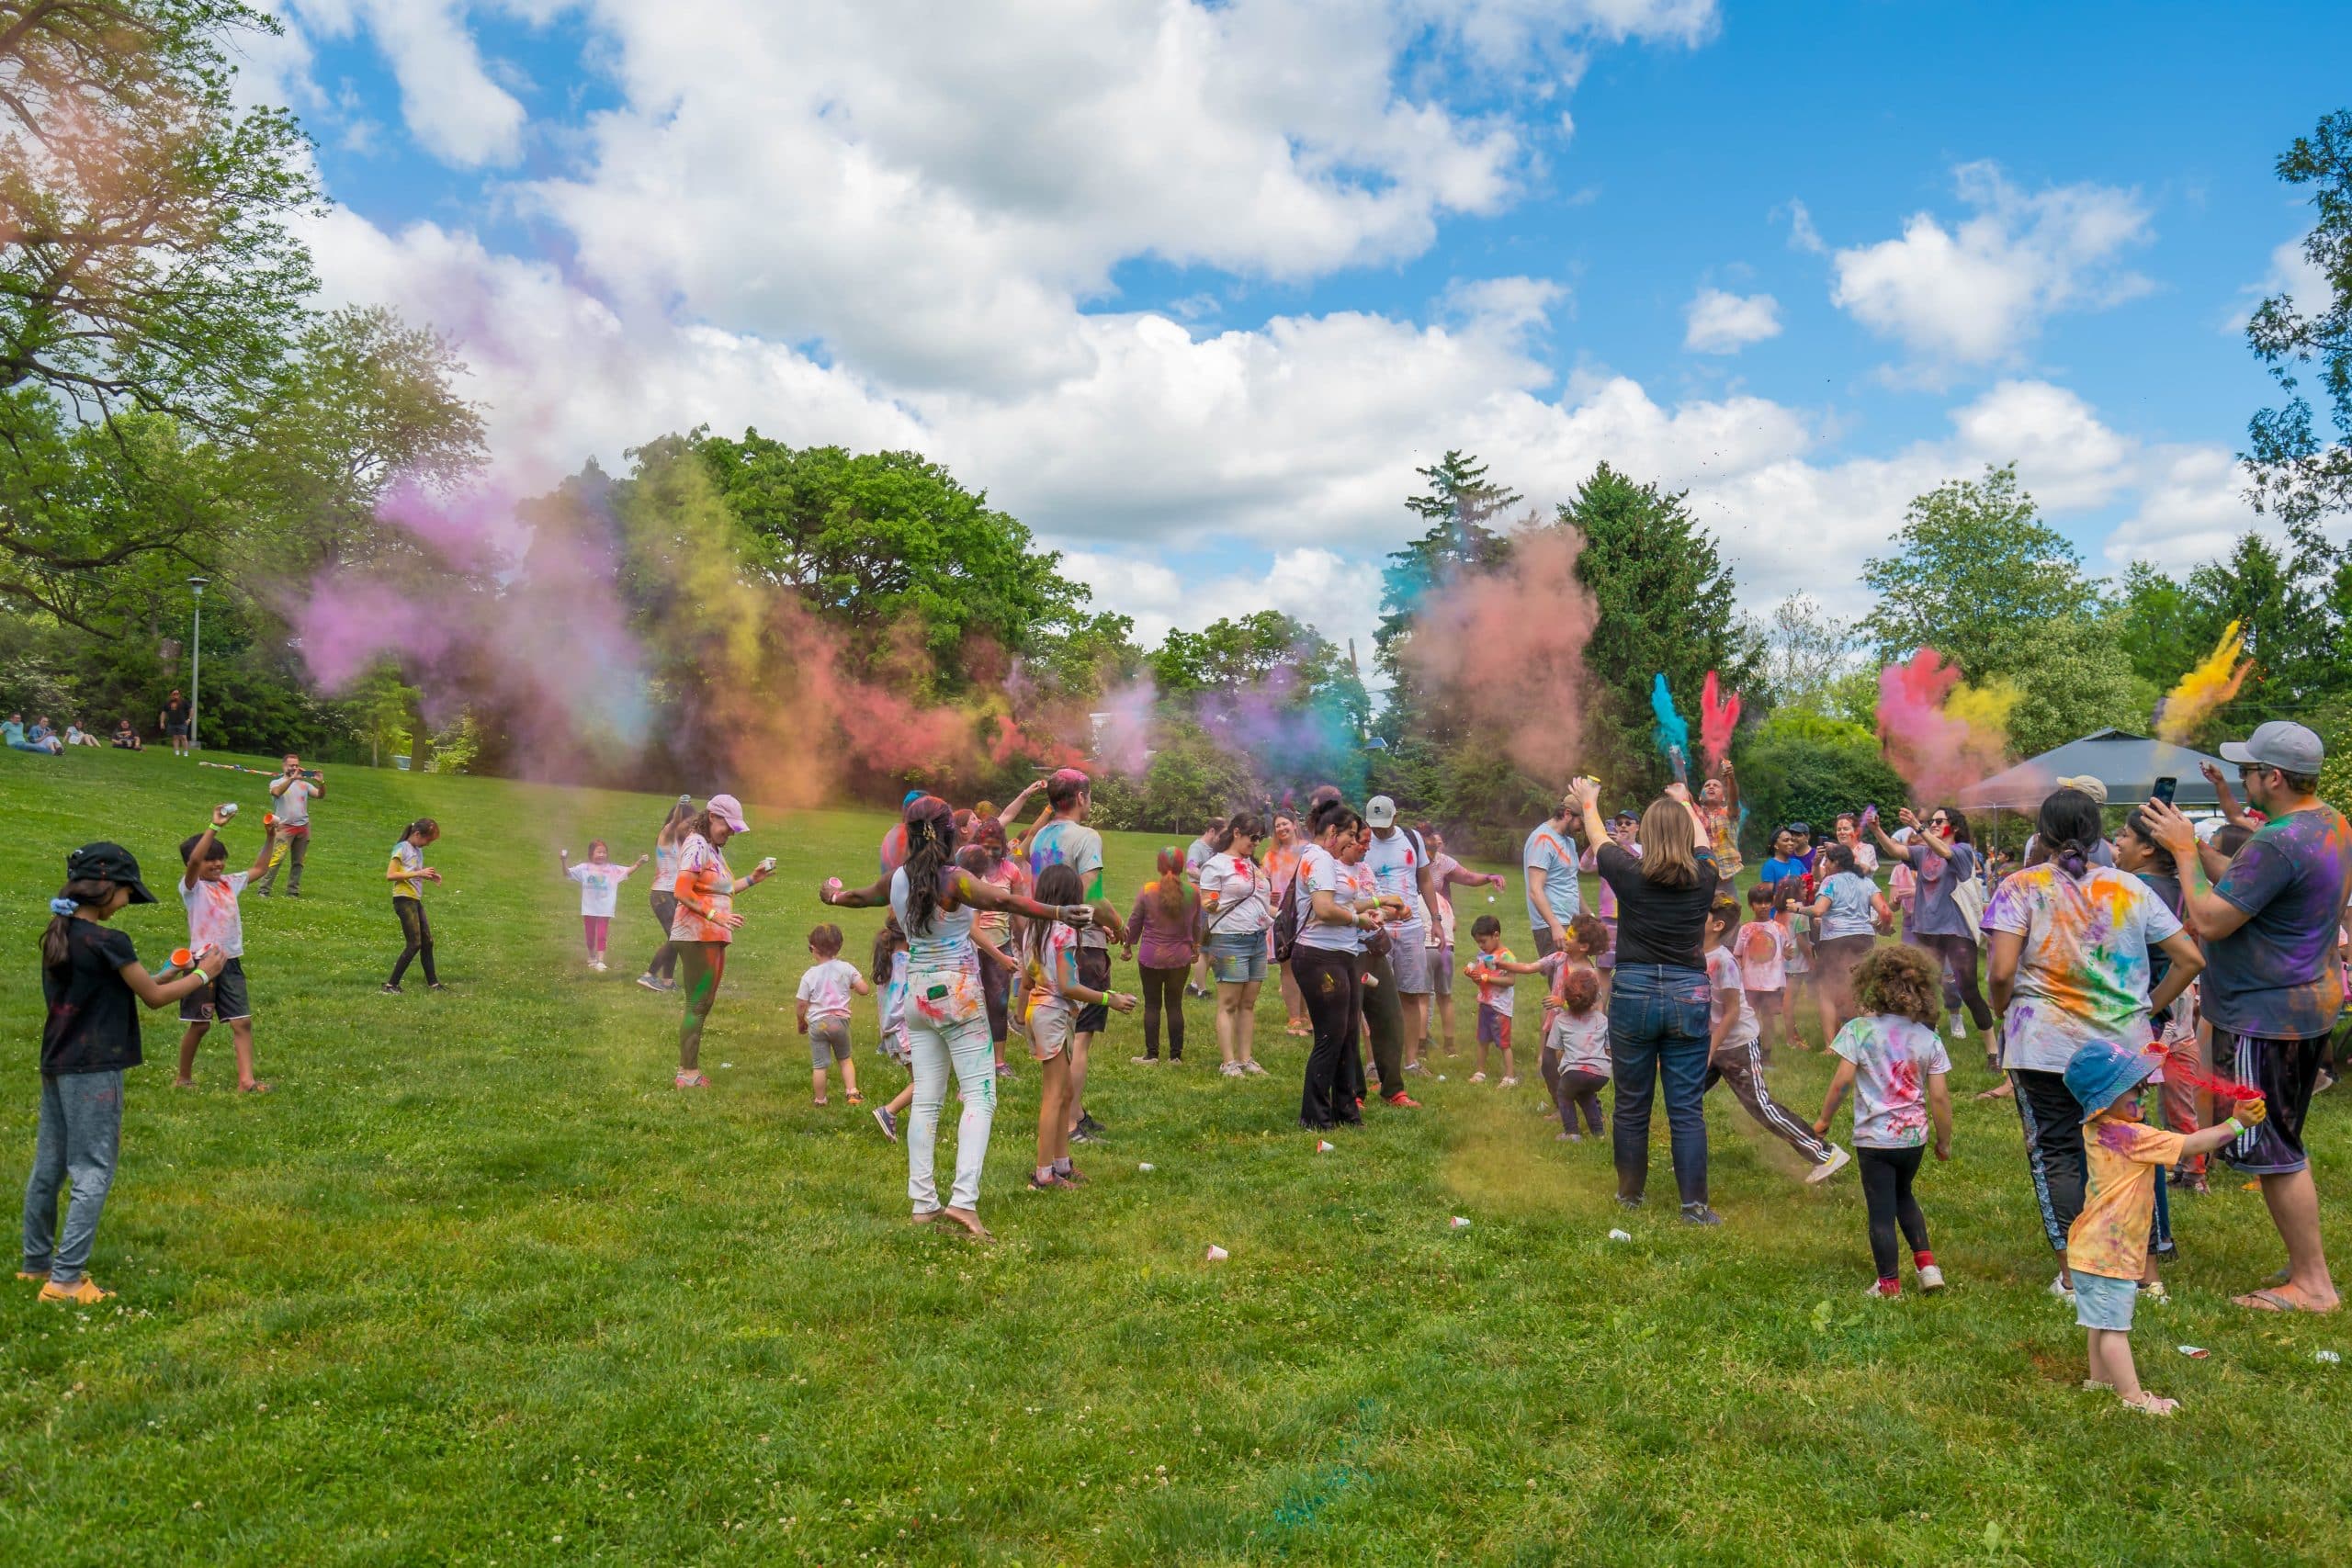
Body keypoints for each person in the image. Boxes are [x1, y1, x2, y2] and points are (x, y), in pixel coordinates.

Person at [2143, 720, 2350, 1314]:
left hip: (2267, 1012)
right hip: (2308, 1001)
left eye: (2249, 770)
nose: (2242, 778)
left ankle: (2312, 1285)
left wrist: (2185, 852)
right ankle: (2305, 1264)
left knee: (2274, 1149)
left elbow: (2210, 920)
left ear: (2274, 777)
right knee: (2283, 1137)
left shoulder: (2277, 842)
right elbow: (2250, 881)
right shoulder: (2329, 824)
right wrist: (2196, 847)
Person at [826, 795, 1098, 1237]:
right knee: (979, 1097)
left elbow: (859, 897)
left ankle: (923, 1204)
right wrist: (1058, 911)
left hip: (917, 995)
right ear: (949, 833)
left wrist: (832, 895)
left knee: (927, 1100)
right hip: (958, 994)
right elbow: (1004, 900)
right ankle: (963, 1202)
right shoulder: (955, 879)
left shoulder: (898, 878)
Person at [1986, 787, 2204, 1294]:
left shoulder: (2020, 886)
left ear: (2042, 836)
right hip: (2122, 1048)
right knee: (2131, 1154)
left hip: (2042, 1046)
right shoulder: (2129, 887)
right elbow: (2191, 959)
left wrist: (2002, 1008)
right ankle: (2146, 1277)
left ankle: (2072, 1278)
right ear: (2097, 836)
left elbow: (1999, 971)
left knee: (2058, 1153)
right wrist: (2146, 1006)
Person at [26, 843, 226, 1303]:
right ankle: (65, 1281)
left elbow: (137, 985)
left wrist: (174, 972)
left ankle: (35, 1266)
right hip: (95, 1067)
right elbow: (153, 1000)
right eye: (125, 894)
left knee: (49, 1166)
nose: (125, 903)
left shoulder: (61, 933)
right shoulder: (110, 941)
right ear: (105, 889)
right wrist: (204, 974)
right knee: (92, 1169)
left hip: (58, 1061)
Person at [2063, 1039, 2270, 1412]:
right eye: (2134, 1091)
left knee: (2100, 1321)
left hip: (2089, 1245)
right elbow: (2193, 1144)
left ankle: (2099, 1382)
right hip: (2109, 1251)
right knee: (2114, 1329)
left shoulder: (2097, 1130)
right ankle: (2133, 1399)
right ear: (2106, 1101)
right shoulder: (2132, 1137)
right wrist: (2237, 1123)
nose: (2143, 1097)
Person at [1575, 776, 1723, 1224]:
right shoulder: (1705, 876)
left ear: (1648, 835)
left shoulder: (1630, 874)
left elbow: (1599, 839)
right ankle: (1695, 1207)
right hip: (1688, 991)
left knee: (1631, 1103)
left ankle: (1630, 1197)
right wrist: (1685, 803)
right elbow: (1702, 843)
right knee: (1687, 1108)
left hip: (1634, 990)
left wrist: (1589, 801)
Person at [1814, 944, 1953, 1299]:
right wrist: (1944, 1140)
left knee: (1880, 1211)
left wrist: (1824, 1120)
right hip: (1913, 1140)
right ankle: (1928, 1268)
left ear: (1872, 985)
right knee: (1904, 1194)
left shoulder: (1859, 1030)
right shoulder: (1929, 1038)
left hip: (1875, 1140)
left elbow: (1842, 1082)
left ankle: (1889, 1284)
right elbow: (1940, 1097)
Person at [1702, 894, 1849, 1183]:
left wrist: (1709, 1049)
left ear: (1717, 925)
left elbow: (1732, 1013)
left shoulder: (1723, 961)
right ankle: (1690, 1159)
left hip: (1737, 1045)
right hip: (1709, 1044)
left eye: (1701, 914)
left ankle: (1825, 1154)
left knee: (1761, 1106)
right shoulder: (1693, 954)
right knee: (1684, 1099)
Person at [1018, 863, 1136, 1190]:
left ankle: (1062, 1164)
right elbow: (1069, 986)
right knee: (1054, 1096)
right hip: (1053, 1015)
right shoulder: (1064, 932)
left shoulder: (1033, 929)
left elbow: (1026, 979)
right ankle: (1043, 1175)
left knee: (1065, 1091)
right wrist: (1109, 999)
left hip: (1040, 1013)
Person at [1025, 770, 1127, 1145]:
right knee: (1080, 1038)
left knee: (1065, 1034)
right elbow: (1091, 896)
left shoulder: (1040, 837)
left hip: (1044, 939)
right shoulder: (1086, 836)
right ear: (1081, 797)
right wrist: (1117, 924)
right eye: (1089, 795)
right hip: (1080, 942)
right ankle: (1070, 1123)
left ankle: (1075, 1112)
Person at [2112, 808, 2206, 1190]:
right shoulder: (2182, 886)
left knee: (2131, 1090)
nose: (2117, 843)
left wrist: (2149, 1005)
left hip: (2150, 1001)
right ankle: (2192, 1169)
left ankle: (2143, 1162)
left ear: (2148, 848)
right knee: (2179, 1088)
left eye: (2124, 835)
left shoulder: (2134, 888)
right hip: (2180, 997)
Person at [662, 795, 773, 1085]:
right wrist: (716, 916)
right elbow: (682, 891)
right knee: (697, 1004)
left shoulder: (712, 848)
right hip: (696, 935)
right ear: (712, 817)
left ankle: (690, 1070)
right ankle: (686, 1074)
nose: (731, 833)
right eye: (728, 826)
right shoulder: (697, 845)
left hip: (711, 935)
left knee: (704, 1003)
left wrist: (753, 879)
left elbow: (720, 889)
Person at [175, 807, 279, 1094]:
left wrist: (270, 837)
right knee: (200, 1025)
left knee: (242, 1022)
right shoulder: (192, 887)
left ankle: (247, 1082)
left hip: (230, 962)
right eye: (211, 859)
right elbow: (195, 860)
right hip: (202, 964)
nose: (218, 863)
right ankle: (183, 1078)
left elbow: (260, 868)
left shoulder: (229, 883)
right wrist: (214, 826)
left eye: (221, 858)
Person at [1295, 800, 1385, 1131]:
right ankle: (1314, 1117)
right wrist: (1358, 920)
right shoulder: (1318, 859)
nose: (1353, 841)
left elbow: (1340, 902)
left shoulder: (1323, 858)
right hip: (1321, 957)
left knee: (1347, 1035)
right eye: (1350, 834)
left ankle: (1346, 1111)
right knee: (1330, 1036)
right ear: (1332, 831)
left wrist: (1376, 903)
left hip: (1339, 955)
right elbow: (1324, 909)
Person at [1871, 806, 1993, 1045]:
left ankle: (1993, 1051)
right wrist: (1877, 830)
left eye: (1939, 821)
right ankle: (1927, 1049)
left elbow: (1945, 852)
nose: (1934, 825)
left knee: (1969, 990)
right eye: (1932, 821)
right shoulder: (1923, 853)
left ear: (1954, 827)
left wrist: (1918, 826)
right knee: (1925, 992)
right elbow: (1895, 849)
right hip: (1926, 931)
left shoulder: (1963, 850)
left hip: (1957, 932)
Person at [1363, 796, 1440, 1074]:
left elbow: (1425, 879)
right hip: (1375, 929)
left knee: (1410, 995)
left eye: (1384, 824)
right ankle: (1374, 1063)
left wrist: (1436, 919)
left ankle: (1410, 1062)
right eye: (1374, 825)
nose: (1379, 830)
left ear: (1396, 818)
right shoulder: (1363, 842)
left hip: (1410, 928)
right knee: (1372, 997)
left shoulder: (1412, 839)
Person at [1421, 826, 1504, 1060]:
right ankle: (1437, 1042)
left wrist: (1488, 877)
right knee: (1435, 994)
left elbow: (1467, 876)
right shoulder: (1414, 861)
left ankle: (1424, 1044)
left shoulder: (1440, 862)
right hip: (1436, 935)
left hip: (1435, 935)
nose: (1433, 851)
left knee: (1426, 995)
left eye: (1435, 846)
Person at [1199, 812, 1272, 1077]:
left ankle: (1246, 1058)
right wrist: (1213, 903)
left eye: (1260, 838)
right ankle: (1228, 1062)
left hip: (1257, 939)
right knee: (1229, 1002)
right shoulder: (1216, 865)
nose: (1256, 843)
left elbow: (1260, 902)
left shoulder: (1254, 866)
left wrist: (1282, 915)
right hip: (1229, 939)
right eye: (1253, 837)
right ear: (1237, 832)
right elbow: (1207, 901)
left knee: (1248, 1003)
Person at [959, 817, 1031, 1077]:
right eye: (985, 847)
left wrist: (1026, 942)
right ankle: (971, 1058)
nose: (989, 853)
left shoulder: (1012, 872)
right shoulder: (968, 870)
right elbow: (969, 922)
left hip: (1001, 945)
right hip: (969, 948)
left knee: (999, 1004)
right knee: (969, 1005)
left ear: (1003, 846)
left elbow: (1018, 911)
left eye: (995, 848)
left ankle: (998, 1062)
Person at [1802, 843, 1893, 1043]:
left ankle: (1831, 1045)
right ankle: (1873, 1040)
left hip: (1835, 940)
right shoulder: (1866, 882)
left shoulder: (1830, 881)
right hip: (1864, 939)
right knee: (1861, 988)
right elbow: (1885, 911)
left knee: (1828, 992)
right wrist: (1885, 927)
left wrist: (1797, 909)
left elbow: (1818, 911)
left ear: (1836, 863)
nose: (1825, 865)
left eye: (1827, 861)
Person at [1123, 848, 1198, 1065]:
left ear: (1159, 865)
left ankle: (1151, 1055)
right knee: (1175, 1005)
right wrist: (1196, 947)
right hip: (1180, 958)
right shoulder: (1193, 892)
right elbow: (1198, 924)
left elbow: (1135, 921)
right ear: (1182, 866)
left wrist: (1127, 946)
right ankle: (1175, 1056)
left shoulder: (1148, 890)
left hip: (1151, 957)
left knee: (1152, 1005)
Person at [796, 924, 871, 1108]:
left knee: (819, 1065)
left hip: (818, 1025)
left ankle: (820, 1100)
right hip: (839, 1024)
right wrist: (852, 984)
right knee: (844, 1059)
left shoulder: (809, 975)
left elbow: (801, 1004)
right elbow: (864, 989)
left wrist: (801, 1021)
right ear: (839, 947)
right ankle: (852, 1092)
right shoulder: (846, 968)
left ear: (814, 949)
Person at [637, 796, 695, 993]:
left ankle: (667, 981)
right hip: (661, 894)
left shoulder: (681, 842)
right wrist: (680, 806)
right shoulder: (667, 834)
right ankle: (649, 975)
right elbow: (675, 822)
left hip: (674, 895)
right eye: (688, 823)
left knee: (675, 938)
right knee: (677, 937)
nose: (690, 827)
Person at [560, 841, 647, 972]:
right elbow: (567, 873)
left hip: (605, 908)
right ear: (591, 853)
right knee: (590, 936)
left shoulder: (611, 869)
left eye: (604, 852)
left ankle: (600, 961)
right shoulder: (584, 868)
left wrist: (639, 863)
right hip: (589, 908)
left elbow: (627, 872)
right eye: (598, 852)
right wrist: (563, 861)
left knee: (602, 935)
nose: (602, 855)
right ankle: (592, 956)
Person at [383, 818, 446, 995]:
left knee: (427, 941)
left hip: (414, 899)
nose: (428, 844)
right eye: (428, 840)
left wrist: (428, 876)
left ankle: (433, 984)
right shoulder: (401, 848)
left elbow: (413, 872)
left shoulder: (417, 850)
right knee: (414, 943)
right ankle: (390, 986)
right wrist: (419, 872)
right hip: (403, 899)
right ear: (417, 834)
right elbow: (390, 875)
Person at [1549, 964, 1610, 1142]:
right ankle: (1598, 1133)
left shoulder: (1560, 1020)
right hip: (1601, 1073)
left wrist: (1564, 1068)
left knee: (1564, 1093)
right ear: (1595, 996)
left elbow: (1558, 1051)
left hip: (1575, 1071)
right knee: (1585, 1094)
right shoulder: (1602, 1019)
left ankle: (1572, 1133)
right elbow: (1609, 1049)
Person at [1262, 815, 1310, 1037]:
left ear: (1294, 825)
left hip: (1307, 914)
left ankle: (1307, 1013)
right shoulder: (1271, 856)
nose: (1281, 828)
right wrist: (1269, 895)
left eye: (1285, 824)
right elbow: (1261, 885)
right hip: (1283, 918)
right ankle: (1294, 1016)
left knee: (1308, 965)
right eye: (1277, 825)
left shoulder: (1308, 850)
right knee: (1288, 967)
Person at [254, 755, 325, 897]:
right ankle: (264, 890)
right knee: (276, 860)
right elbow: (277, 793)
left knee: (299, 862)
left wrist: (322, 783)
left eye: (296, 765)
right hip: (284, 827)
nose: (294, 768)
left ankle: (293, 891)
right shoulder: (276, 782)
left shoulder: (304, 785)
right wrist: (292, 779)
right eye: (291, 765)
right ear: (284, 766)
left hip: (303, 827)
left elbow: (320, 795)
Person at [1463, 916, 1521, 1086]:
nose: (1481, 946)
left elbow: (1510, 981)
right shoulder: (1483, 956)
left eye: (1483, 941)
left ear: (1496, 935)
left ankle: (1509, 1077)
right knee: (1482, 1040)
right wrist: (1474, 976)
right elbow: (1481, 981)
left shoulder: (1507, 957)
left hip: (1500, 1008)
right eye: (1478, 942)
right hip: (1485, 1004)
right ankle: (1480, 1072)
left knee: (1503, 1043)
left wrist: (1487, 978)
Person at [1523, 794, 1584, 958]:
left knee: (1581, 973)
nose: (1582, 829)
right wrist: (1554, 925)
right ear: (1567, 814)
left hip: (1571, 923)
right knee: (1562, 974)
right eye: (1581, 822)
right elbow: (1535, 890)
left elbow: (1571, 882)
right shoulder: (1542, 840)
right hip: (1551, 926)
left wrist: (1589, 916)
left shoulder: (1569, 841)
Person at [1738, 883, 1789, 1057]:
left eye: (1767, 902)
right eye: (1759, 902)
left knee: (1768, 1019)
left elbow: (1787, 952)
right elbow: (1738, 955)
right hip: (1750, 982)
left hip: (1772, 983)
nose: (1764, 906)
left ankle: (1766, 1054)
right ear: (1751, 905)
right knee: (1749, 1018)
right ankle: (1750, 1051)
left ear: (1772, 903)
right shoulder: (1745, 930)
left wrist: (1789, 954)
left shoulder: (1779, 929)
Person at [1182, 818, 1221, 998]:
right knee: (1205, 948)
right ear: (1212, 831)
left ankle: (1193, 985)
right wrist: (1211, 880)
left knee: (1213, 950)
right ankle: (1201, 990)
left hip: (1212, 901)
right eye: (1221, 835)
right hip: (1201, 900)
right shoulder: (1197, 848)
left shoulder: (1215, 849)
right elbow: (1190, 869)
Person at [1698, 764, 1743, 878]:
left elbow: (1734, 800)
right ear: (1700, 797)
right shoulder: (1694, 815)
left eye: (1716, 786)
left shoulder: (1728, 812)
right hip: (1700, 875)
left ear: (1723, 797)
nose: (1711, 787)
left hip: (1726, 877)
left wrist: (1731, 779)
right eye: (1707, 785)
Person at [159, 689, 189, 756]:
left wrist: (189, 719)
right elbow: (163, 712)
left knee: (183, 737)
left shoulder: (183, 702)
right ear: (171, 695)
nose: (176, 695)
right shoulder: (167, 703)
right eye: (174, 694)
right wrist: (162, 722)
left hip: (182, 723)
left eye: (177, 693)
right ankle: (176, 752)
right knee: (175, 737)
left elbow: (191, 709)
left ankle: (185, 753)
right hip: (172, 723)